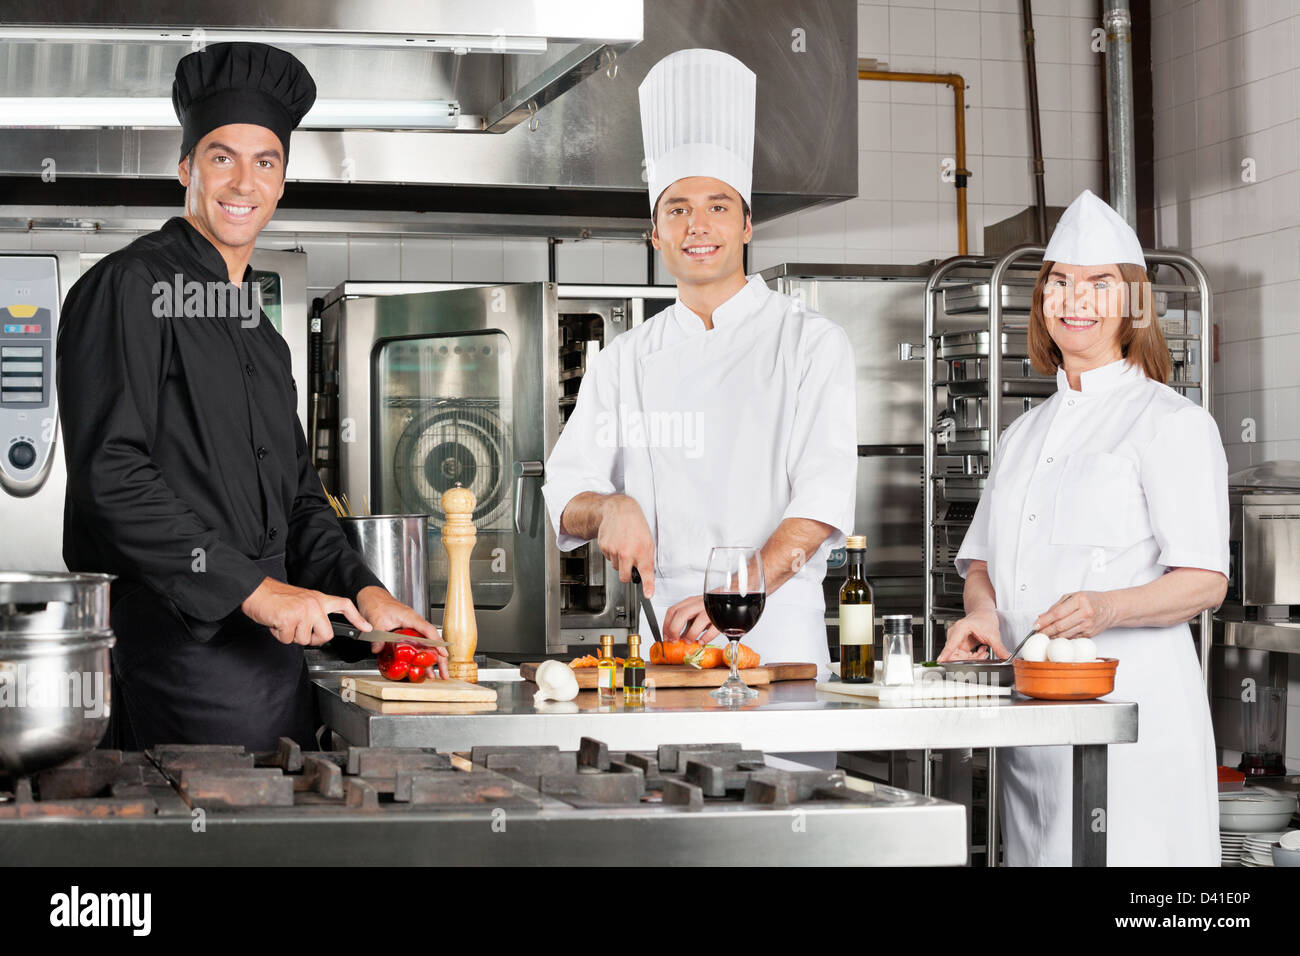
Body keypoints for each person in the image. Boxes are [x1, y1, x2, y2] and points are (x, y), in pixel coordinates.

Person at [56, 42, 445, 753]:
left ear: (283, 180)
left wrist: (367, 593)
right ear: (186, 168)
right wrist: (258, 591)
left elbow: (300, 501)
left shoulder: (263, 338)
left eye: (265, 161)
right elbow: (110, 476)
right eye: (220, 156)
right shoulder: (129, 288)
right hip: (173, 659)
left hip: (271, 669)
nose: (243, 181)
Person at [541, 49, 857, 679]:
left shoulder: (811, 343)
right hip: (667, 641)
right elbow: (564, 494)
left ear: (746, 224)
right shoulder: (625, 360)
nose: (697, 226)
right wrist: (607, 509)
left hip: (776, 629)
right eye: (676, 209)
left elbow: (820, 506)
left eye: (717, 205)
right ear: (654, 233)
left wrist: (739, 591)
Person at [939, 189, 1226, 865]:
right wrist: (981, 615)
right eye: (1060, 283)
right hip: (1034, 725)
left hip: (1134, 724)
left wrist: (1107, 607)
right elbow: (982, 563)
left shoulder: (1170, 423)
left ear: (1132, 304)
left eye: (1100, 285)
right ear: (1041, 301)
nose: (1076, 300)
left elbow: (1205, 582)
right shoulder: (1023, 433)